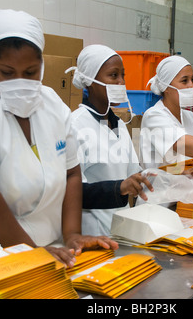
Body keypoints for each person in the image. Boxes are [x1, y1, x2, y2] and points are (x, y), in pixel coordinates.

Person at [0, 10, 117, 267]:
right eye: (7, 72)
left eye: (29, 72)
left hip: (42, 251)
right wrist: (30, 252)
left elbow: (71, 173)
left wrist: (72, 234)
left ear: (42, 65)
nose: (19, 81)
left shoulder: (52, 105)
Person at [66, 44, 154, 237]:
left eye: (123, 76)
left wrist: (176, 177)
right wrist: (118, 188)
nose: (121, 82)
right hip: (91, 235)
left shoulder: (119, 126)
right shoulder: (75, 125)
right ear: (89, 81)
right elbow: (70, 192)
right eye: (113, 76)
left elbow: (135, 175)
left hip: (120, 232)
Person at [139, 55, 193, 170]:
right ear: (166, 86)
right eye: (184, 81)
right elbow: (183, 144)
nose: (191, 85)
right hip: (160, 186)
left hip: (187, 184)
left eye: (192, 79)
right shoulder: (153, 116)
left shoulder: (189, 117)